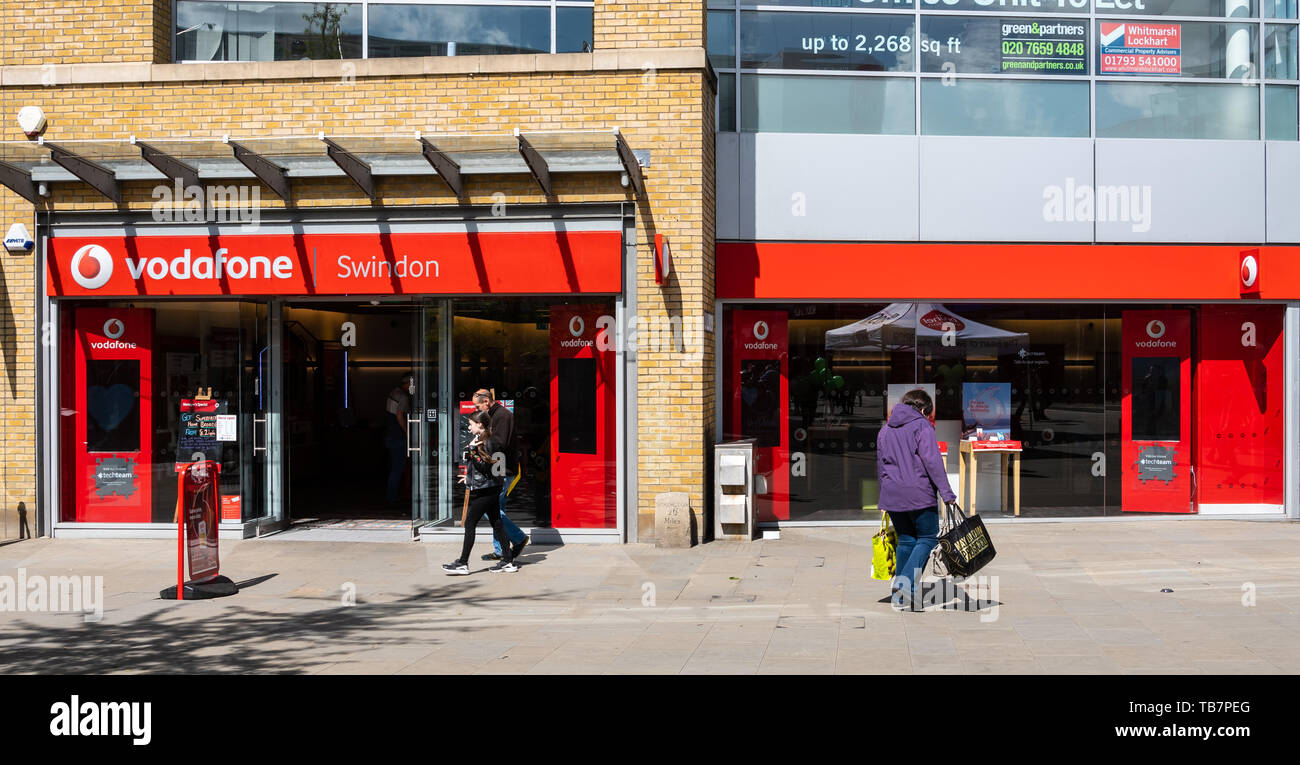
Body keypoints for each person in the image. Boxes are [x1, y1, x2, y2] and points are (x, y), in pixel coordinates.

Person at [877, 388, 957, 612]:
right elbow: (933, 463)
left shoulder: (885, 430)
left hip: (892, 495)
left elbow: (881, 466)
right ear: (922, 409)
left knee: (906, 539)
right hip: (919, 494)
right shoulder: (922, 426)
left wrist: (883, 498)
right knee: (928, 538)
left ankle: (899, 595)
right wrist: (947, 494)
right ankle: (903, 588)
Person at [442, 410, 517, 574]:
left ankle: (462, 563)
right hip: (488, 487)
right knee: (497, 523)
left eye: (470, 424)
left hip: (485, 490)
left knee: (470, 523)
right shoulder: (483, 440)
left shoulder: (489, 442)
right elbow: (482, 468)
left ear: (480, 424)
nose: (469, 427)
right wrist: (468, 477)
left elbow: (487, 468)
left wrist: (473, 453)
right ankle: (508, 561)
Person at [474, 387, 529, 562]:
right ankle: (500, 549)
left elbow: (499, 443)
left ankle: (518, 538)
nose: (476, 410)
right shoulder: (494, 415)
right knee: (498, 509)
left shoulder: (502, 416)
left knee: (490, 509)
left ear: (486, 402)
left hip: (503, 469)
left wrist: (480, 440)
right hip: (498, 468)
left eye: (477, 406)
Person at [384, 373, 414, 509]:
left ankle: (392, 496)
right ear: (408, 383)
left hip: (390, 435)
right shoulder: (403, 397)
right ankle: (392, 497)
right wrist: (408, 433)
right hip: (398, 437)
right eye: (413, 384)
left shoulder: (393, 393)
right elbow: (400, 416)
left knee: (394, 467)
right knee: (398, 468)